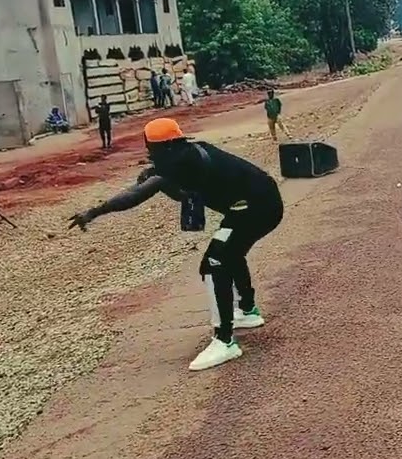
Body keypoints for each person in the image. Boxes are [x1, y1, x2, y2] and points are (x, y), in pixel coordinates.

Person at [68, 118, 283, 371]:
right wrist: (157, 178)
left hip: (257, 209)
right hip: (255, 203)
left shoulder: (175, 165)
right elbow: (184, 191)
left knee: (214, 264)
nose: (149, 154)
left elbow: (136, 196)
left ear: (159, 147)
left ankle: (224, 341)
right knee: (230, 252)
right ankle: (248, 310)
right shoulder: (188, 154)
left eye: (150, 149)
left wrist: (94, 212)